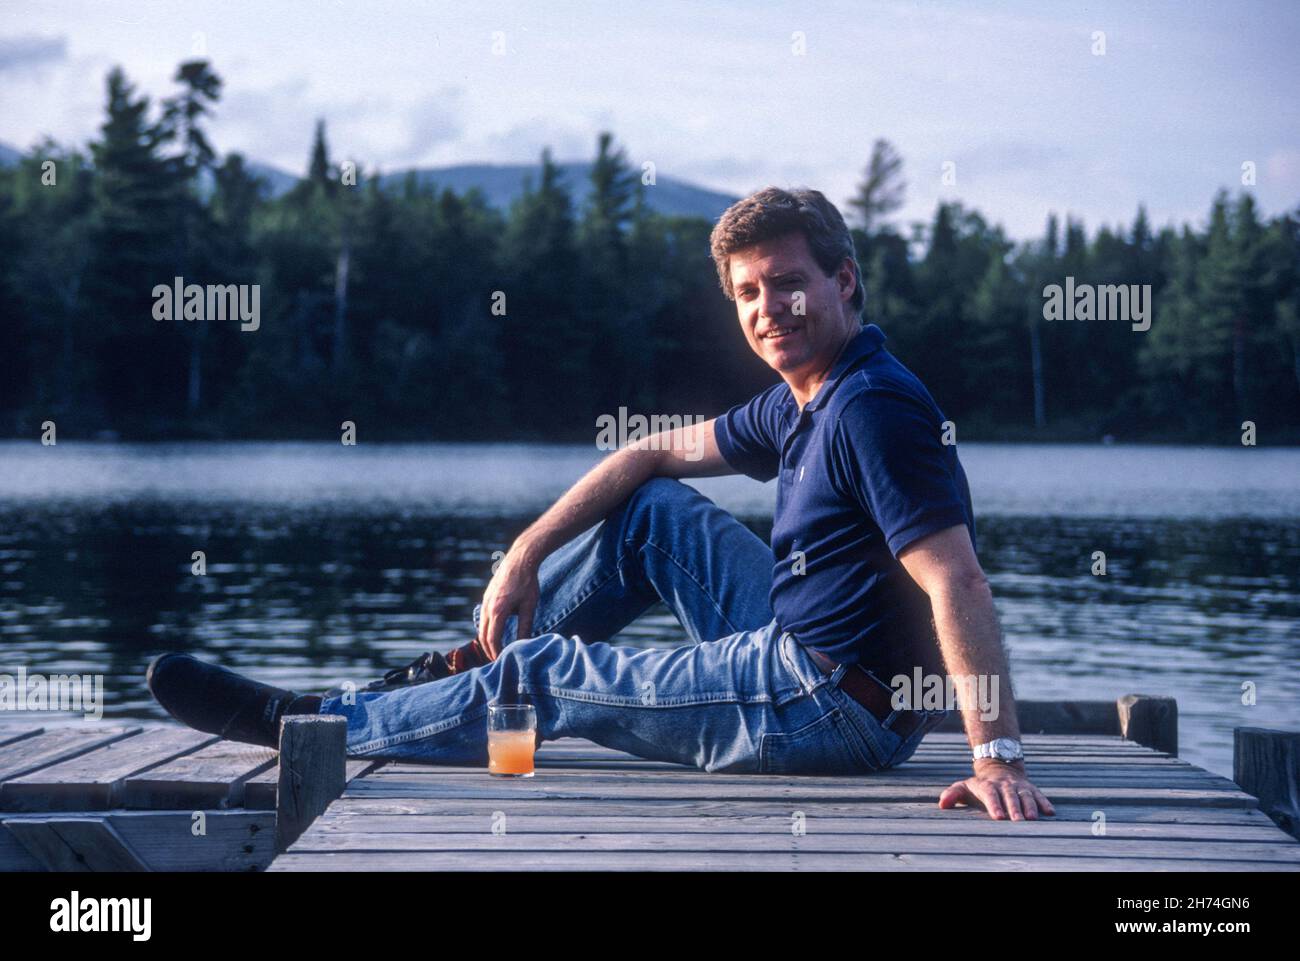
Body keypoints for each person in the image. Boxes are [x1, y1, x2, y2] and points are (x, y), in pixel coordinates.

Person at [148, 186, 1054, 820]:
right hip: (815, 655)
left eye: (788, 282)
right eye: (748, 292)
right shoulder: (807, 393)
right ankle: (467, 669)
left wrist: (996, 757)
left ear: (843, 281)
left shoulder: (873, 408)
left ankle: (314, 724)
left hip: (830, 705)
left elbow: (959, 585)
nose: (768, 307)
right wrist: (525, 553)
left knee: (542, 677)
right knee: (652, 514)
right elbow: (650, 449)